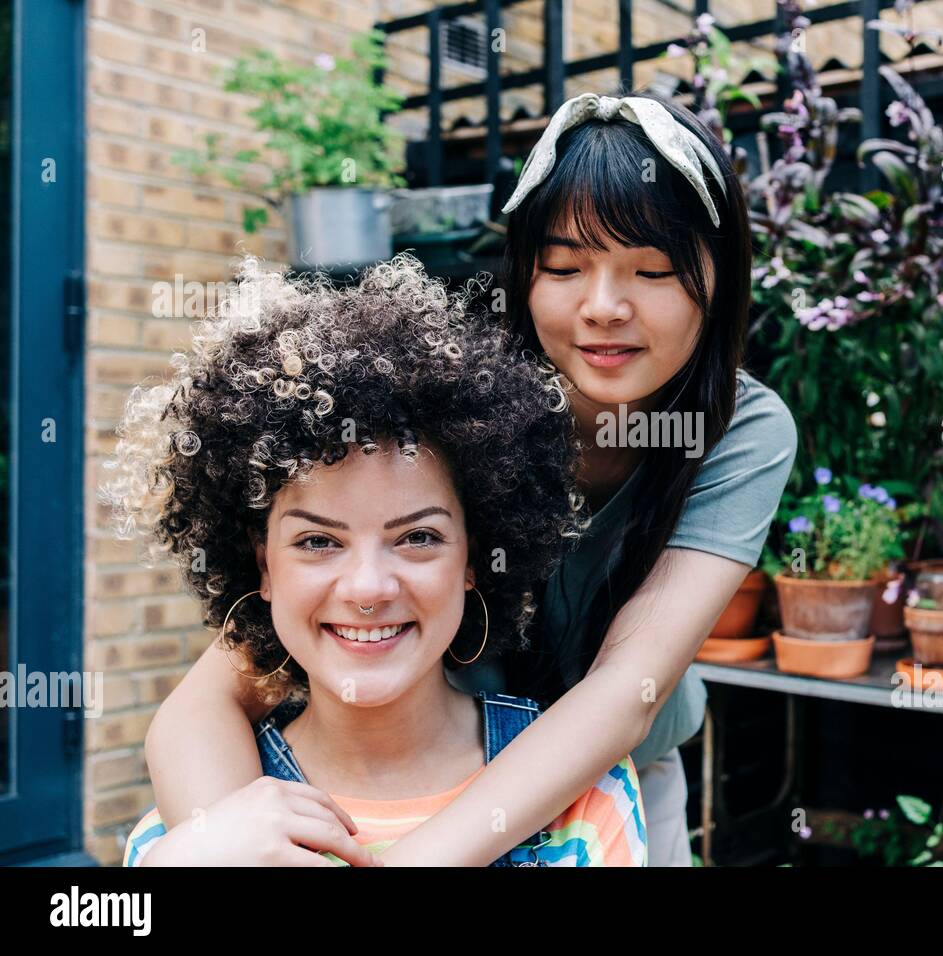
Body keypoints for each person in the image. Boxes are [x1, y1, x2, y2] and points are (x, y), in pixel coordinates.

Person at [142, 90, 797, 866]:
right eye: (563, 266)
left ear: (719, 280)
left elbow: (626, 692)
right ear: (523, 272)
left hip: (606, 788)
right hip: (414, 767)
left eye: (653, 270)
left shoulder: (740, 430)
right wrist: (219, 840)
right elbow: (211, 696)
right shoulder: (454, 399)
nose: (604, 307)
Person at [106, 257, 645, 866]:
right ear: (262, 565)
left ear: (476, 556)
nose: (367, 588)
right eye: (317, 542)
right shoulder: (195, 833)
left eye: (417, 538)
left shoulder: (583, 807)